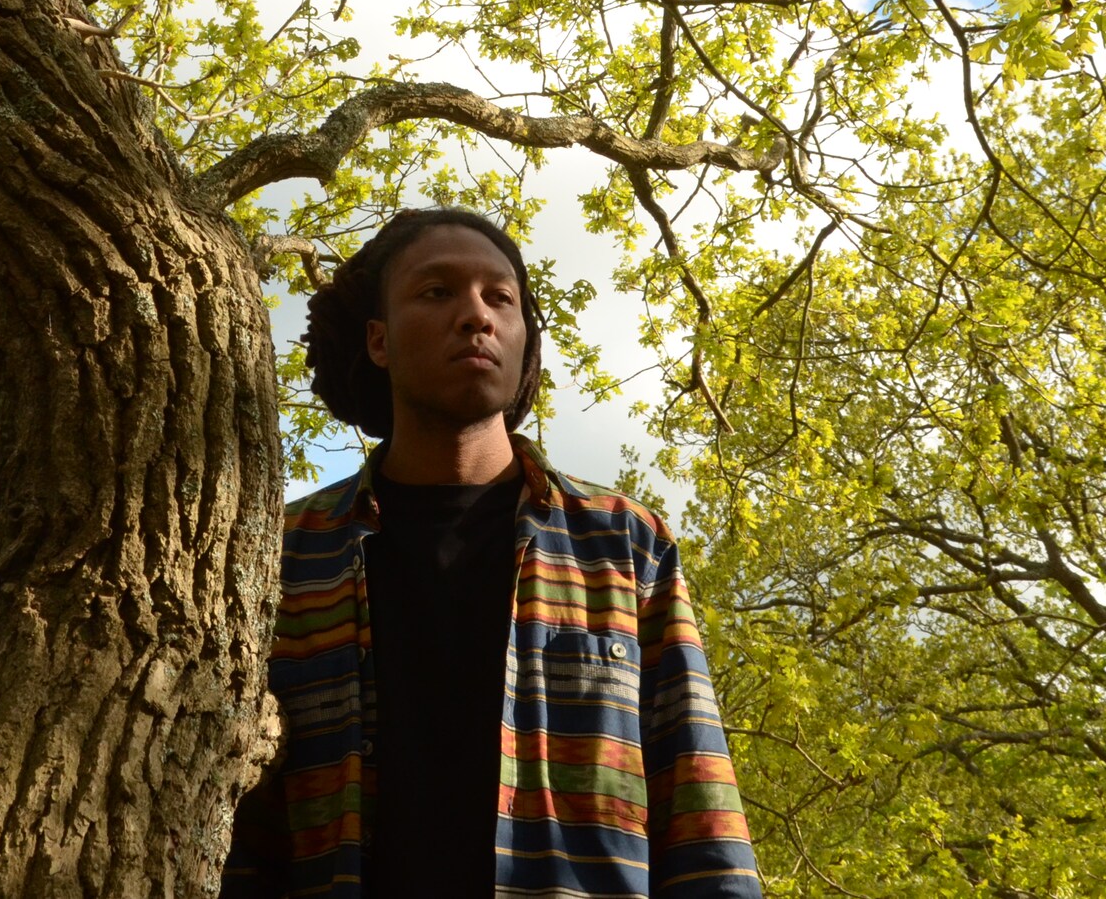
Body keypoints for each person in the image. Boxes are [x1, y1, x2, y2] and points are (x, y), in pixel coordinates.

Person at [220, 207, 762, 898]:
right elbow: (238, 824)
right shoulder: (286, 553)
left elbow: (698, 805)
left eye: (499, 297)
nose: (476, 314)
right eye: (437, 292)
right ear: (379, 341)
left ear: (524, 339)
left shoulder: (623, 545)